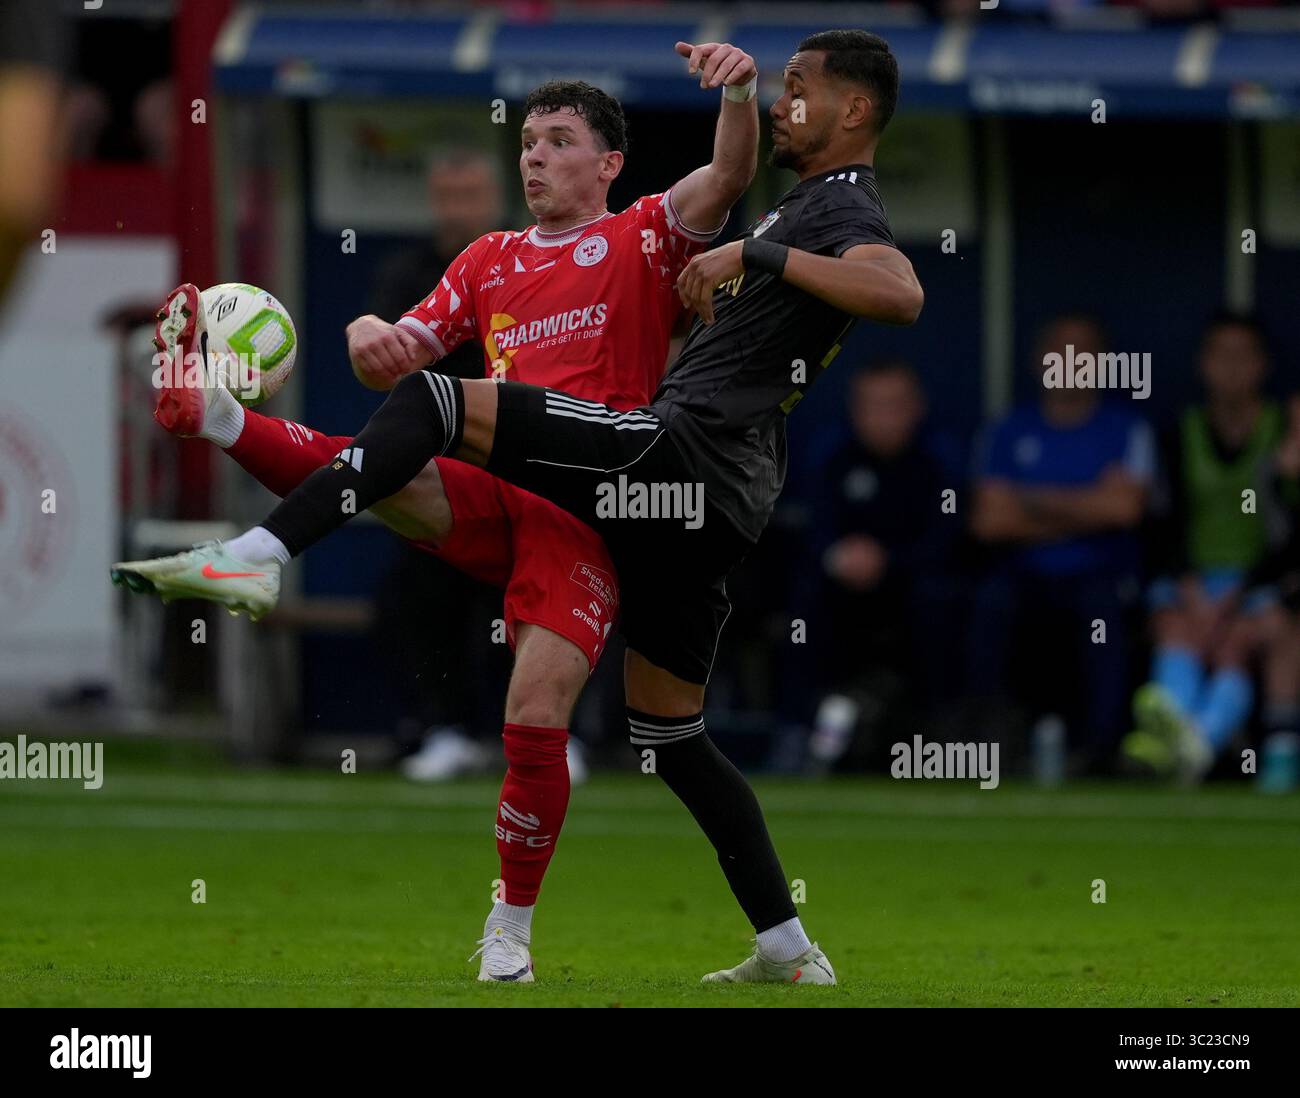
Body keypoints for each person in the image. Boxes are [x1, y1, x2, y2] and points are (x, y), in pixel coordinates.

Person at [113, 29, 922, 985]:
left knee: (449, 451)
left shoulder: (672, 226)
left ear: (609, 163)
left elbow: (868, 270)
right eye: (527, 140)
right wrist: (372, 327)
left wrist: (743, 132)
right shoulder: (493, 256)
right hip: (604, 486)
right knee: (668, 733)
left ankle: (258, 554)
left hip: (637, 478)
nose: (534, 154)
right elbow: (409, 341)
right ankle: (787, 947)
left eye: (558, 140)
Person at [967, 313, 1154, 774]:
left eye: (1084, 350)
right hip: (1023, 574)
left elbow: (1124, 511)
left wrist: (1028, 501)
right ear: (1039, 360)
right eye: (1061, 348)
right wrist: (1087, 506)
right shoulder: (1008, 430)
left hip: (1099, 574)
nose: (1072, 360)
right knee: (988, 606)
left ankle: (1099, 754)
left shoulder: (1126, 429)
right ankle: (990, 747)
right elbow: (989, 521)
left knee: (1103, 618)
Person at [1125, 314, 1300, 782]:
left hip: (1259, 585)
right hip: (1193, 584)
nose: (1232, 369)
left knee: (1237, 642)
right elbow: (1161, 524)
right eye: (1221, 357)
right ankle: (1175, 731)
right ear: (1204, 365)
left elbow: (1288, 535)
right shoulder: (1179, 432)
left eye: (1243, 357)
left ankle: (1195, 743)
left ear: (1262, 366)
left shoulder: (1284, 429)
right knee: (1174, 627)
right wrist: (1191, 593)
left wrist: (1237, 599)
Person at [799, 359, 958, 771]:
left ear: (916, 408)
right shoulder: (832, 457)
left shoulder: (937, 461)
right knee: (806, 598)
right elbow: (816, 533)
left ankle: (936, 736)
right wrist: (841, 557)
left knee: (939, 601)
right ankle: (802, 733)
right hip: (844, 584)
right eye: (874, 406)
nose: (885, 419)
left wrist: (888, 561)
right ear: (856, 410)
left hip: (912, 583)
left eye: (895, 406)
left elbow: (946, 541)